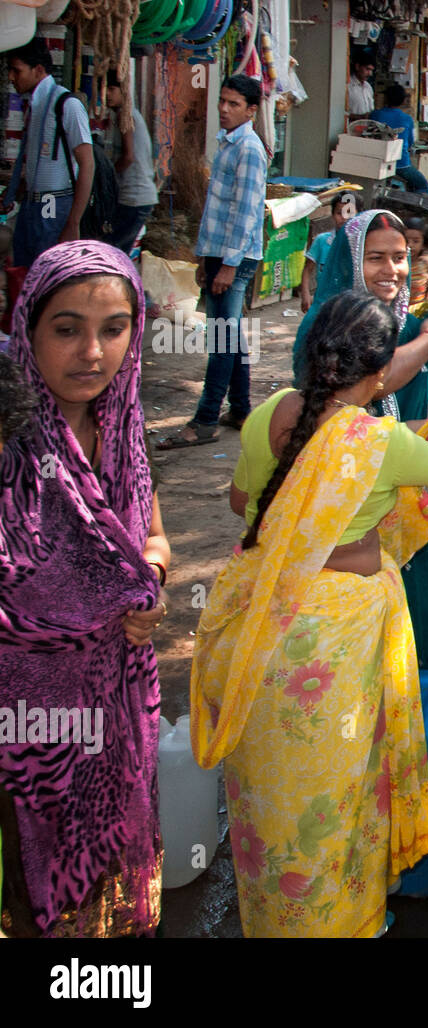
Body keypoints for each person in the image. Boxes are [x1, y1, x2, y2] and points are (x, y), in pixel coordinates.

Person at [191, 291, 428, 937]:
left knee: (273, 805)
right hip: (333, 648)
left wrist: (299, 514)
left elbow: (240, 502)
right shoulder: (377, 440)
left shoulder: (266, 415)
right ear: (378, 375)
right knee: (336, 799)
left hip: (262, 635)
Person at [0, 242, 170, 937]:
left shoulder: (122, 429)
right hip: (23, 733)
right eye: (66, 329)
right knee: (27, 888)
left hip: (114, 709)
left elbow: (152, 540)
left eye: (113, 328)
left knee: (103, 900)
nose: (92, 352)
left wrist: (152, 583)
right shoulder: (8, 436)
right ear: (28, 329)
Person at [291, 209, 428, 669]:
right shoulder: (323, 327)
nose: (392, 270)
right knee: (345, 656)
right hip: (344, 519)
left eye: (400, 257)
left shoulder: (410, 322)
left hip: (406, 512)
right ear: (348, 261)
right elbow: (372, 383)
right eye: (375, 258)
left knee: (411, 638)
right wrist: (427, 342)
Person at [159, 75, 268, 448]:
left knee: (220, 340)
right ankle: (239, 409)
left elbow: (246, 214)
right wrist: (206, 258)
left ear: (251, 110)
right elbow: (217, 211)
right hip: (220, 253)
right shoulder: (229, 144)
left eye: (233, 103)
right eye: (222, 101)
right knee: (230, 335)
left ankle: (204, 420)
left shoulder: (248, 149)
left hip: (236, 257)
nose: (223, 109)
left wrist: (229, 265)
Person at [0, 39, 94, 267]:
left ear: (38, 70)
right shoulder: (34, 105)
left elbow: (88, 165)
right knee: (25, 272)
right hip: (33, 205)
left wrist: (73, 222)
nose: (11, 77)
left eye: (17, 70)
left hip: (54, 204)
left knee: (48, 274)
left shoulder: (66, 104)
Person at [102, 70, 158, 257]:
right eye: (105, 89)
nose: (107, 94)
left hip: (134, 197)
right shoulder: (123, 115)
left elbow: (128, 157)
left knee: (113, 252)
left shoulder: (126, 116)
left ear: (124, 91)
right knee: (117, 250)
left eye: (112, 89)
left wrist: (106, 177)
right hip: (136, 197)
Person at [368, 84, 428, 194]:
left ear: (386, 98)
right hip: (401, 165)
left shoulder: (376, 115)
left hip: (378, 162)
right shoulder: (407, 119)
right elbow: (410, 143)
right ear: (402, 101)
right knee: (422, 185)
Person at [300, 192, 356, 313]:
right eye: (339, 213)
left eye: (349, 213)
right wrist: (305, 294)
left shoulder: (360, 246)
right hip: (321, 303)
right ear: (332, 215)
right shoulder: (322, 241)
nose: (344, 218)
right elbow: (307, 269)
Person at [404, 216, 428, 310]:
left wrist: (427, 305)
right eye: (406, 241)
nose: (410, 245)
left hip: (418, 311)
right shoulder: (399, 265)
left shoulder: (426, 265)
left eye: (415, 241)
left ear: (424, 244)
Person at [346, 52, 375, 118]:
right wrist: (359, 117)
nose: (370, 74)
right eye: (367, 69)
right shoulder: (348, 86)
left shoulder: (368, 87)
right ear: (357, 66)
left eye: (371, 70)